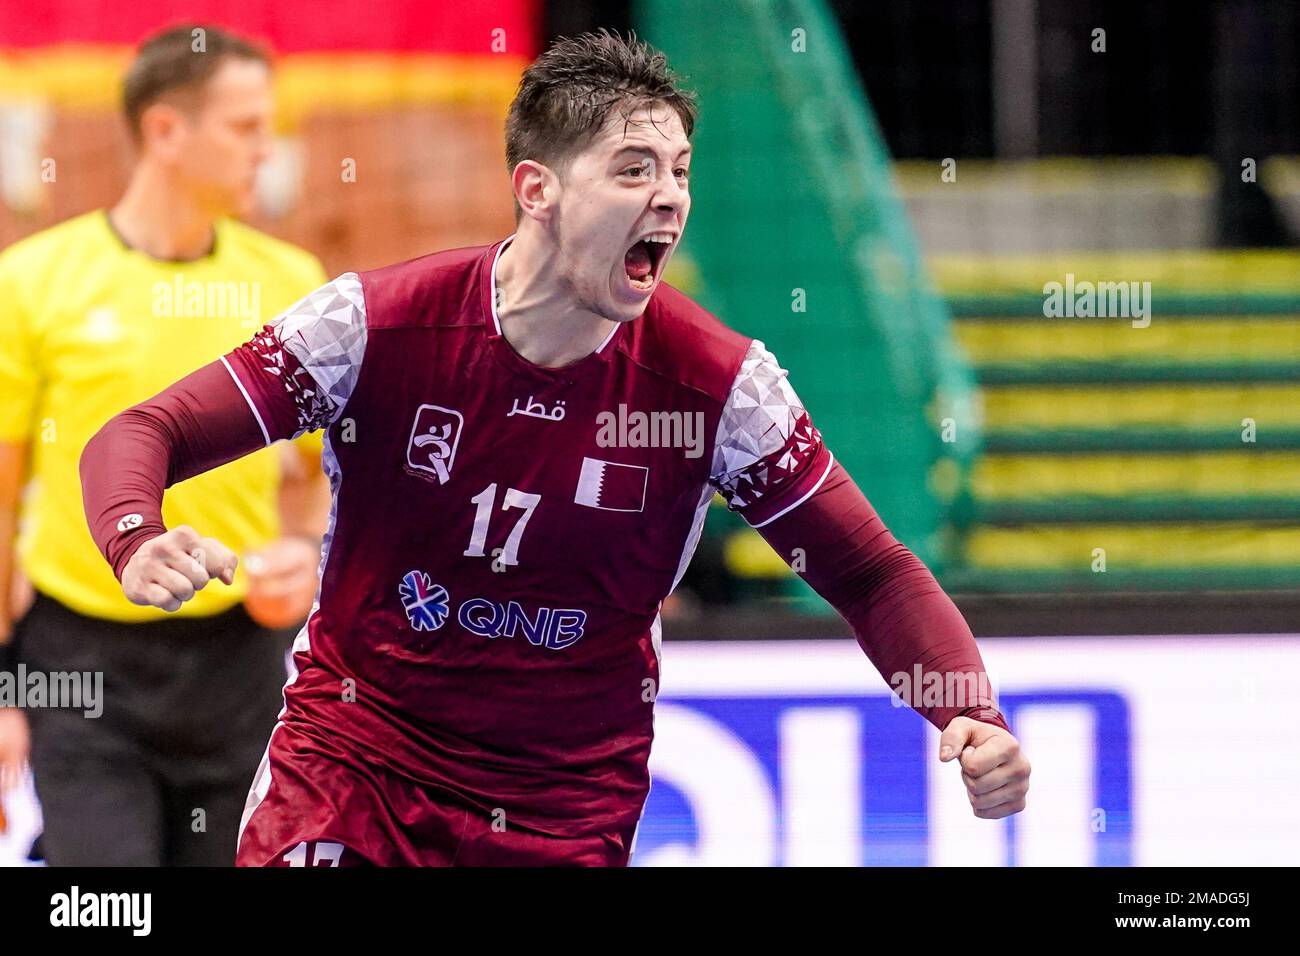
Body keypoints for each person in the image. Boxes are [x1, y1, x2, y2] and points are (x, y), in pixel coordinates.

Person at [80, 30, 1030, 867]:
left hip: (561, 812)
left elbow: (870, 571)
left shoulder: (723, 387)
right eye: (632, 169)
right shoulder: (375, 326)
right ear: (535, 188)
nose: (669, 198)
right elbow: (142, 431)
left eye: (681, 171)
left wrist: (969, 711)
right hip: (353, 766)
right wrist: (135, 531)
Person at [0, 25, 329, 865]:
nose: (268, 149)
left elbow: (330, 477)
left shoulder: (292, 284)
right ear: (165, 131)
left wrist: (306, 552)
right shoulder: (35, 282)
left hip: (242, 658)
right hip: (82, 662)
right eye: (246, 127)